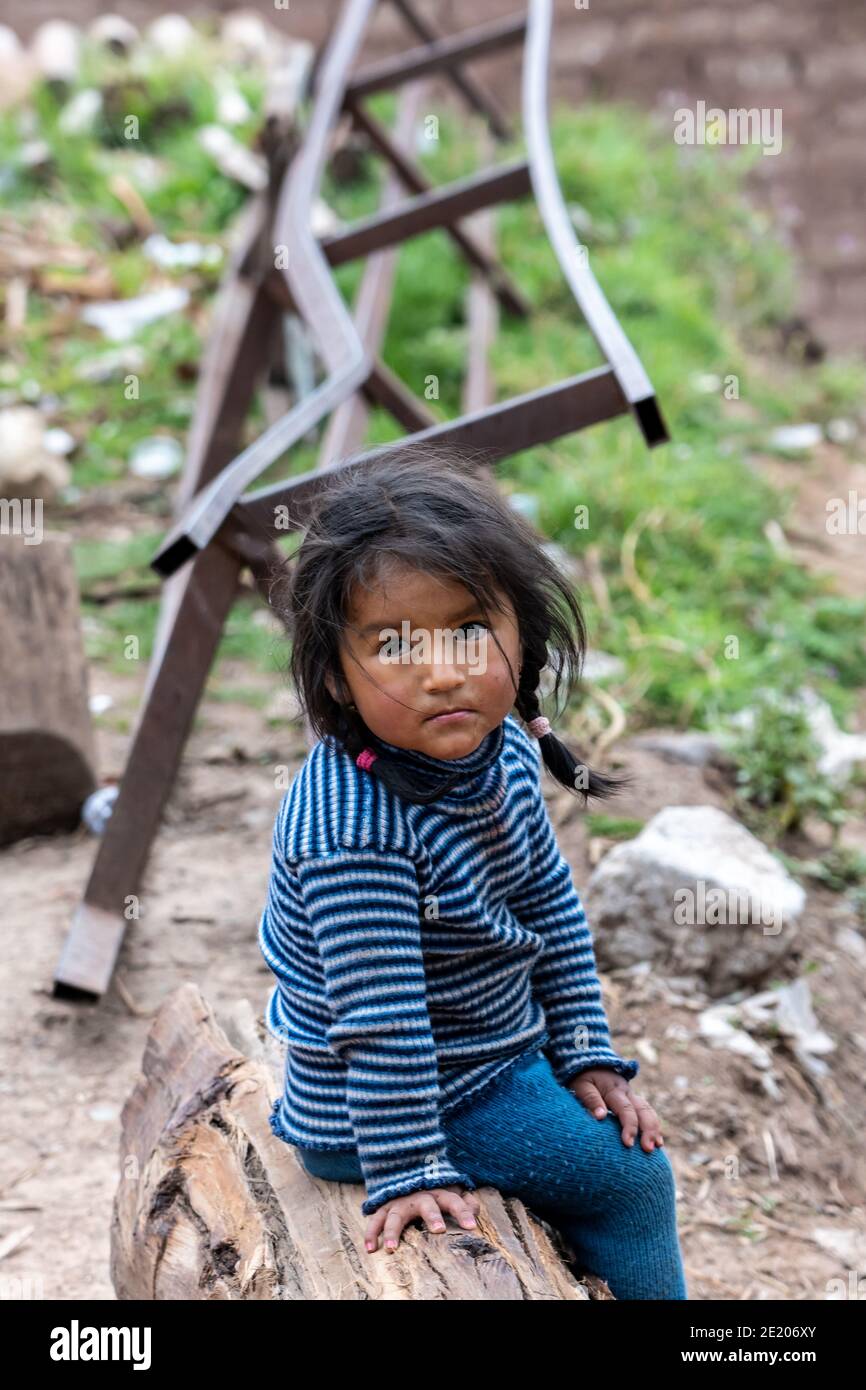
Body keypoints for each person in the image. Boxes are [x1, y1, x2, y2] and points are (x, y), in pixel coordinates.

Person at [258, 442, 688, 1300]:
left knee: (610, 1133)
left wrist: (582, 1050)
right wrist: (410, 1165)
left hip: (487, 1047)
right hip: (384, 1103)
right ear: (337, 679)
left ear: (520, 632)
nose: (443, 671)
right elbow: (382, 1020)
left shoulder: (505, 751)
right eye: (392, 644)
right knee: (634, 1181)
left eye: (466, 629)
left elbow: (550, 907)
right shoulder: (352, 834)